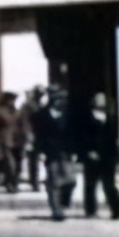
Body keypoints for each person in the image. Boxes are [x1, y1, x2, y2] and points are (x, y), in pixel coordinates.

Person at [72, 92, 119, 220]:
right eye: (99, 100)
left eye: (103, 100)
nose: (101, 103)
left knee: (109, 185)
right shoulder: (87, 119)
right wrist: (88, 151)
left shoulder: (110, 118)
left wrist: (115, 155)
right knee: (90, 185)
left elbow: (113, 139)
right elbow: (82, 138)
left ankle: (117, 209)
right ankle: (90, 210)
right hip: (92, 156)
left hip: (107, 157)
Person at [31, 87, 73, 220]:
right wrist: (40, 151)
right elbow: (38, 136)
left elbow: (71, 135)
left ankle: (63, 202)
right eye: (60, 99)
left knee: (70, 180)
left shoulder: (66, 115)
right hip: (49, 151)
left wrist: (72, 151)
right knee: (54, 181)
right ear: (53, 100)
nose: (62, 102)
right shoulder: (41, 115)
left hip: (64, 152)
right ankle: (56, 210)